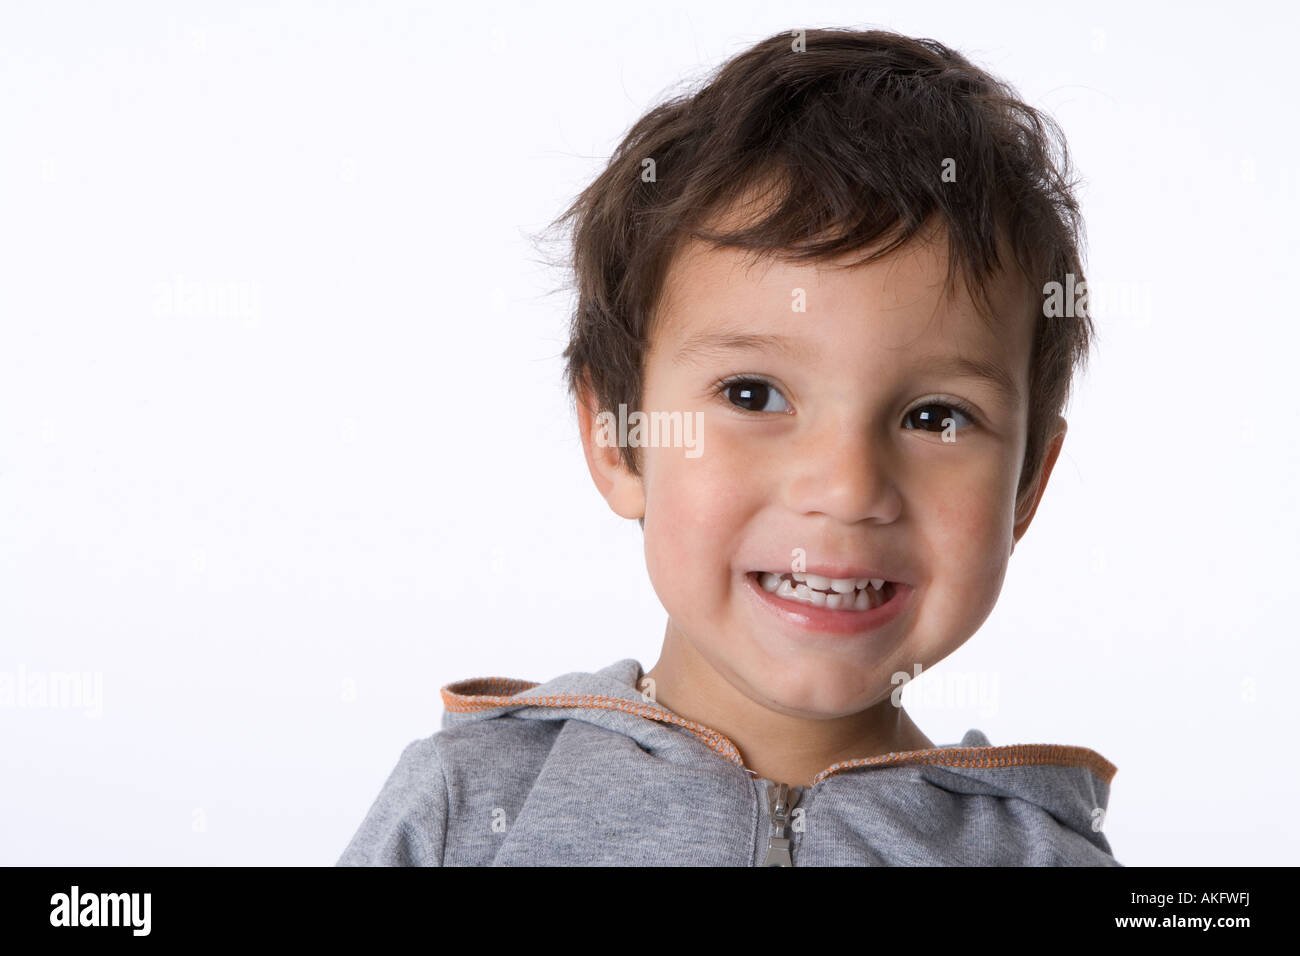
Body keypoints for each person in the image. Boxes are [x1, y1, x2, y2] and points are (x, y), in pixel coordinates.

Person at [337, 27, 1118, 866]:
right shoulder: (472, 807)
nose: (849, 488)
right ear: (618, 439)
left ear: (1028, 485)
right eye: (753, 396)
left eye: (934, 417)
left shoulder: (1040, 856)